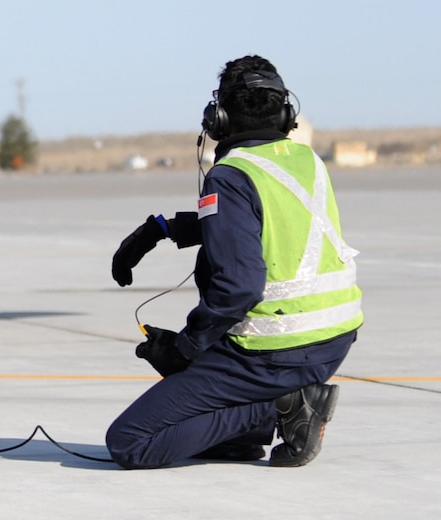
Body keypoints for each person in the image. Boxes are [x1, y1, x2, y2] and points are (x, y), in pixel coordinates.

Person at [103, 56, 362, 468]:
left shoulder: (231, 175)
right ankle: (247, 429)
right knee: (205, 378)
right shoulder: (306, 161)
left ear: (218, 118)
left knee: (131, 441)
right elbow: (265, 226)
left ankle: (279, 407)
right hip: (332, 340)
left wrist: (186, 349)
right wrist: (163, 228)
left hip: (274, 352)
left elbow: (239, 286)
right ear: (285, 113)